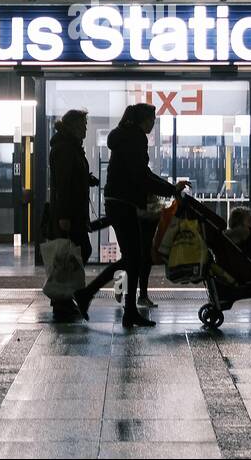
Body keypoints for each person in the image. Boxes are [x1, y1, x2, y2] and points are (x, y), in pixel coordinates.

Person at [75, 103, 187, 328]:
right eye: (151, 120)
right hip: (124, 203)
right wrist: (171, 190)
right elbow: (141, 176)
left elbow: (141, 173)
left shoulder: (125, 137)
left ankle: (128, 311)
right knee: (132, 258)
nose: (153, 124)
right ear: (142, 121)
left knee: (133, 259)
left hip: (119, 201)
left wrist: (168, 188)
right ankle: (90, 294)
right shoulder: (135, 138)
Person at [47, 109, 97, 321]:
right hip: (69, 213)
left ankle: (64, 299)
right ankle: (62, 300)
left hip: (73, 212)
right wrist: (64, 216)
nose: (85, 128)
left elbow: (73, 177)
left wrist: (87, 179)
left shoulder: (70, 147)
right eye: (83, 124)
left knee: (74, 255)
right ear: (73, 126)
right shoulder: (65, 148)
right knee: (75, 254)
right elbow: (64, 184)